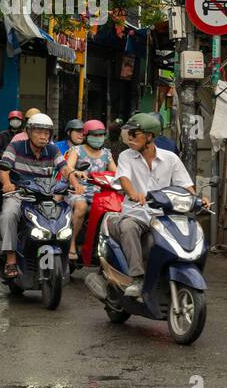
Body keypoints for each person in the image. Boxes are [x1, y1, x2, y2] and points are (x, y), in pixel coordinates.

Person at [113, 113, 199, 296]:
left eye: (134, 134)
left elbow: (185, 184)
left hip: (163, 216)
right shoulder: (125, 156)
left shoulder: (171, 158)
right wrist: (133, 193)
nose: (130, 138)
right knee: (128, 227)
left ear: (150, 136)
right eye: (129, 133)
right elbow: (124, 178)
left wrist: (197, 199)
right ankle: (137, 278)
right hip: (136, 212)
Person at [0, 113, 65, 278]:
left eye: (46, 133)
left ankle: (66, 254)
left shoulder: (53, 149)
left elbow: (64, 168)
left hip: (45, 196)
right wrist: (7, 184)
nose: (43, 136)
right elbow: (4, 169)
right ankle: (11, 258)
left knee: (64, 213)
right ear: (29, 132)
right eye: (39, 132)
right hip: (19, 194)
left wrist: (76, 183)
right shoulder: (16, 147)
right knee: (9, 214)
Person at [63, 119, 117, 266]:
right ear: (86, 135)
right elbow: (67, 168)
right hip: (78, 190)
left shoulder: (107, 154)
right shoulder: (77, 150)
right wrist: (77, 172)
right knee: (81, 206)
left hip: (100, 194)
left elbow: (117, 174)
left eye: (101, 135)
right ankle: (72, 243)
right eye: (95, 135)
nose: (99, 138)